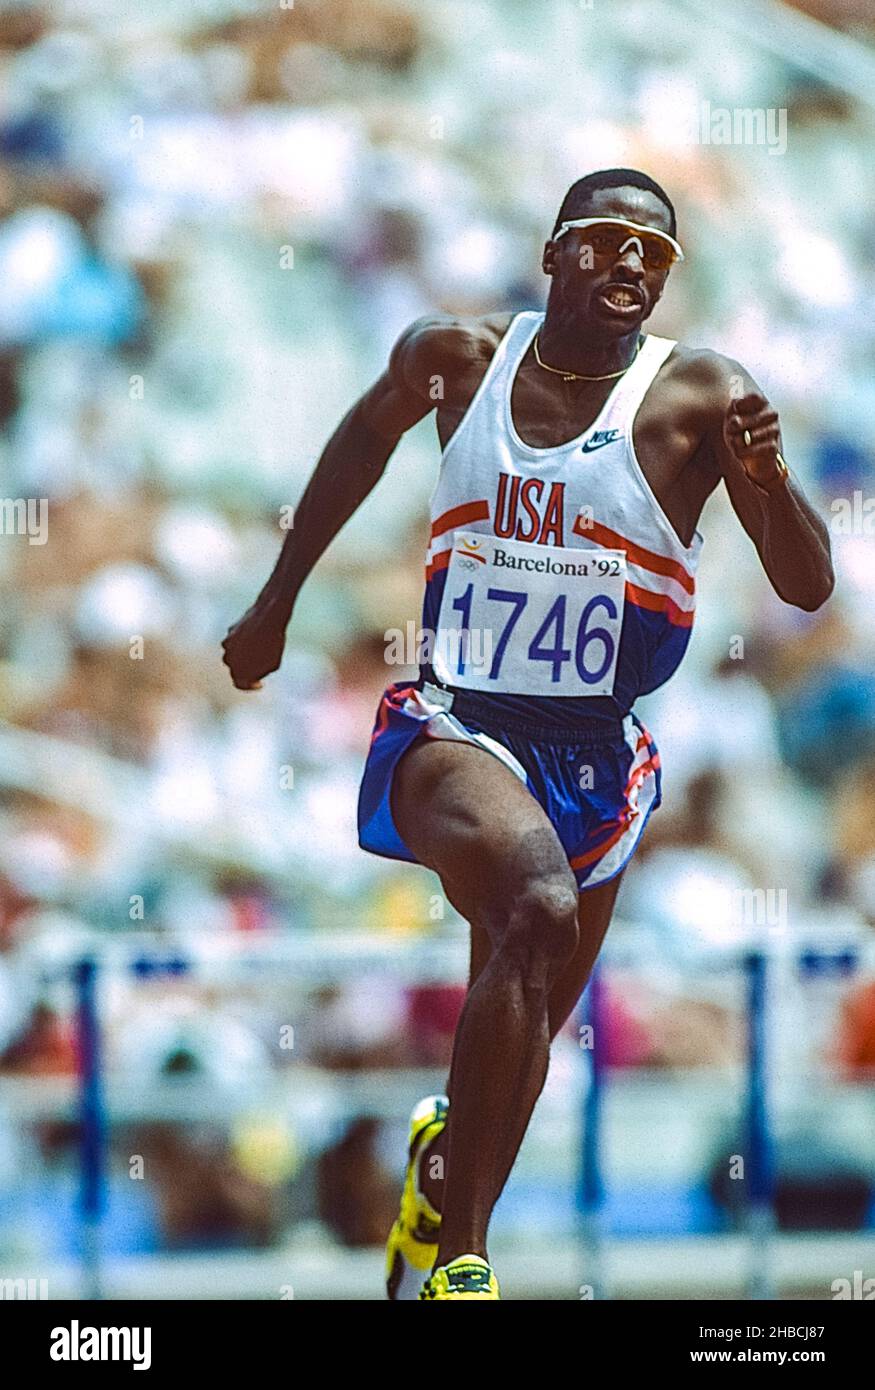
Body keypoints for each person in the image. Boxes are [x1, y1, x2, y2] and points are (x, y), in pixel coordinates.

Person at [222, 168, 835, 1300]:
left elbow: (803, 585)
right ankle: (464, 1263)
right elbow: (358, 446)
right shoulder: (456, 358)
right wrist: (276, 601)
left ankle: (437, 1172)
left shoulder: (699, 398)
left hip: (599, 754)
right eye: (606, 241)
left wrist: (770, 477)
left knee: (520, 1041)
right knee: (537, 905)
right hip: (454, 722)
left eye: (654, 253)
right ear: (554, 252)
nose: (631, 264)